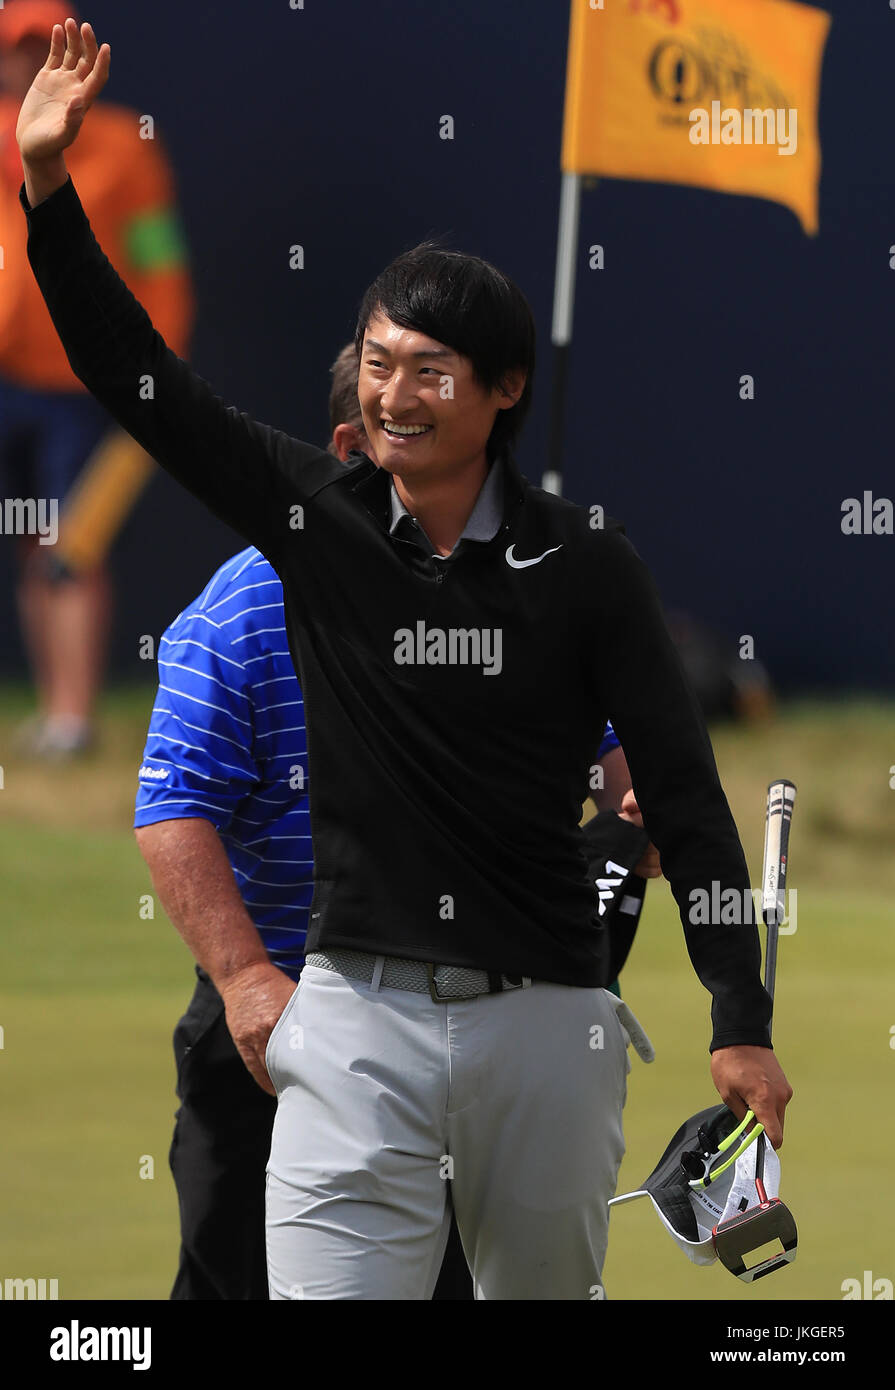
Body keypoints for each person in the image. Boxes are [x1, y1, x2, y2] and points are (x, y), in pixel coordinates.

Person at [17, 21, 791, 1300]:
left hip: (547, 1020)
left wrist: (738, 1016)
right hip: (354, 1019)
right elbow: (135, 375)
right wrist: (47, 189)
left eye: (429, 373)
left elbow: (687, 803)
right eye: (378, 365)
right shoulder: (314, 523)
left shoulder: (590, 570)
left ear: (501, 394)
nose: (392, 395)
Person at [134, 342, 646, 1301]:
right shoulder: (241, 608)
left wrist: (636, 799)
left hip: (450, 1014)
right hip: (270, 1007)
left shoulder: (493, 588)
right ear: (344, 449)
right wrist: (246, 981)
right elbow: (174, 805)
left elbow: (610, 755)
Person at [0, 0, 193, 756]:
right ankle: (55, 708)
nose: (26, 63)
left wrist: (158, 373)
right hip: (6, 380)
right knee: (29, 538)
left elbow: (159, 260)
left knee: (69, 545)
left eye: (40, 48)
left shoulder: (124, 144)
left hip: (85, 385)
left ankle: (74, 717)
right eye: (15, 50)